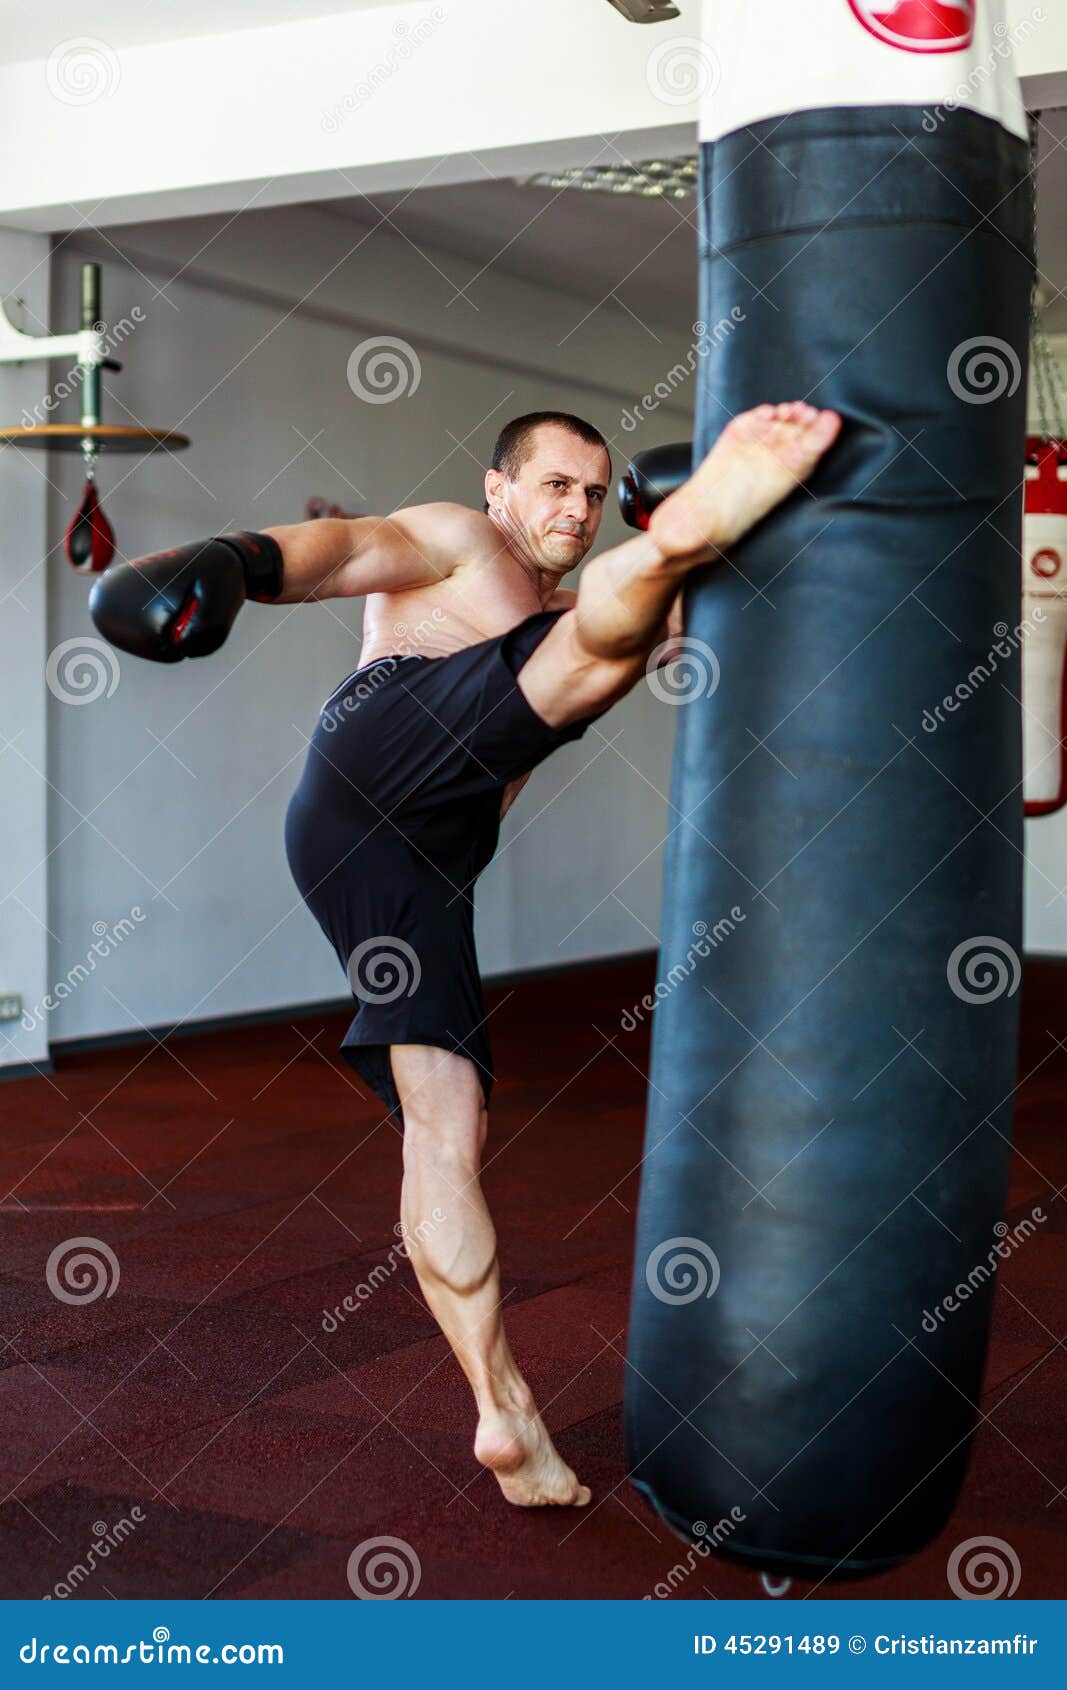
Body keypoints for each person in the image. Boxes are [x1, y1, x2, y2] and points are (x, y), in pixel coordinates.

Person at [89, 400, 841, 1508]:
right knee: (606, 635)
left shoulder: (569, 599)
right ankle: (690, 530)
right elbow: (343, 548)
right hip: (377, 762)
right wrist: (234, 561)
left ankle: (505, 1416)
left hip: (426, 852)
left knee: (448, 1127)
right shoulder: (453, 537)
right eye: (553, 485)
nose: (574, 509)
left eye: (592, 494)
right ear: (499, 490)